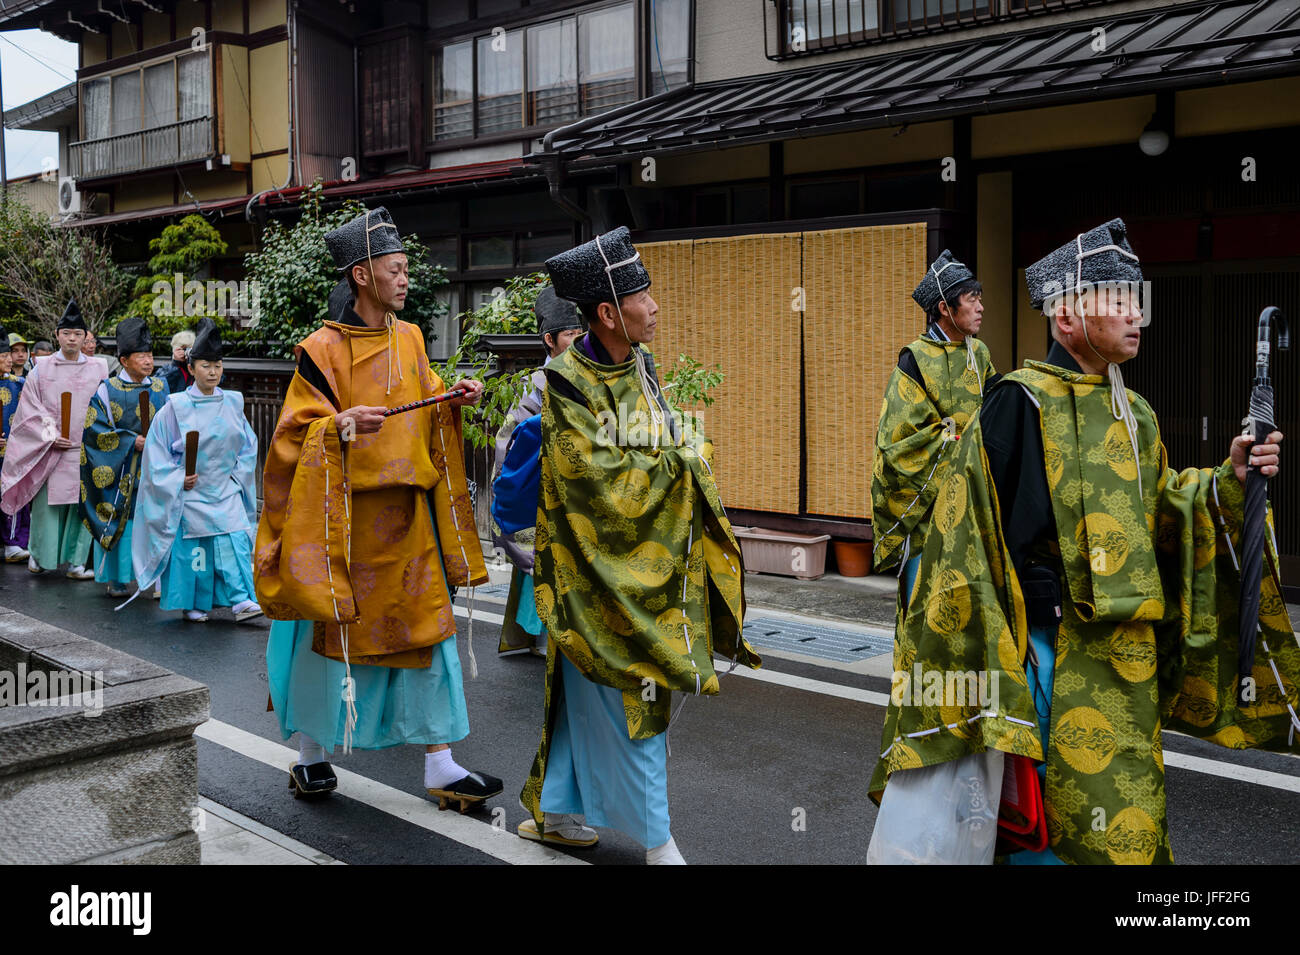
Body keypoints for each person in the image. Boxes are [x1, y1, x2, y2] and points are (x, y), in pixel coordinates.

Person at [867, 218, 1294, 865]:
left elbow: (1159, 515)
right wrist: (994, 679)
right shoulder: (1018, 402)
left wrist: (1226, 481)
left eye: (1137, 299)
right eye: (1116, 299)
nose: (1135, 313)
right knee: (1049, 839)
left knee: (1128, 832)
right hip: (1050, 659)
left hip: (1127, 668)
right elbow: (970, 540)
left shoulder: (1137, 414)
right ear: (1066, 316)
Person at [518, 227, 760, 861]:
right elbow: (596, 482)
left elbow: (669, 439)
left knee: (585, 692)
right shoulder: (567, 381)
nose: (655, 305)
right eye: (643, 294)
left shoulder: (641, 366)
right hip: (592, 568)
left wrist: (683, 452)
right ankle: (658, 841)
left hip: (634, 564)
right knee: (630, 691)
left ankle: (559, 809)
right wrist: (686, 462)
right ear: (607, 313)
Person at [255, 206, 502, 809]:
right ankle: (311, 756)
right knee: (331, 634)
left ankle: (440, 764)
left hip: (409, 521)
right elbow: (293, 434)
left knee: (428, 635)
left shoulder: (412, 336)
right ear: (361, 275)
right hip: (344, 524)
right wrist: (335, 426)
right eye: (395, 269)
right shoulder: (319, 349)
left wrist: (453, 397)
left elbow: (421, 405)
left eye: (406, 268)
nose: (405, 278)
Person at [870, 250, 997, 622]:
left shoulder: (981, 354)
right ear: (944, 307)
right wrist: (962, 441)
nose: (981, 308)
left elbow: (995, 412)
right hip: (928, 501)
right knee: (923, 599)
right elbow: (899, 440)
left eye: (980, 298)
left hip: (974, 494)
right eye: (972, 299)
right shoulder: (914, 359)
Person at [131, 318, 261, 623]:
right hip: (191, 489)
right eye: (206, 365)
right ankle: (195, 602)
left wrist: (236, 475)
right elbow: (156, 452)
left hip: (224, 486)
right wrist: (177, 478)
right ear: (191, 369)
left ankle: (242, 599)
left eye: (217, 365)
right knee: (197, 551)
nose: (213, 371)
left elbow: (248, 445)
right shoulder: (174, 407)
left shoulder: (233, 402)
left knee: (236, 541)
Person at [492, 286, 584, 656]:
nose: (578, 342)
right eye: (570, 335)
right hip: (543, 492)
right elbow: (508, 445)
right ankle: (546, 641)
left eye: (582, 335)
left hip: (580, 490)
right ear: (550, 340)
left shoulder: (592, 379)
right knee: (541, 562)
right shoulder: (534, 387)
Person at [0, 300, 107, 578]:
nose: (72, 339)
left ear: (85, 337)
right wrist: (50, 435)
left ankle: (76, 562)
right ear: (57, 334)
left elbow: (105, 405)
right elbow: (30, 408)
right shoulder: (42, 368)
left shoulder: (98, 368)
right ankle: (39, 556)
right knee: (48, 505)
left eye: (78, 334)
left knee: (80, 506)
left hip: (85, 448)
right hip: (50, 447)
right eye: (67, 333)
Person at [81, 317, 169, 598]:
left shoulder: (160, 387)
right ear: (124, 359)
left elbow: (171, 424)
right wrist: (131, 442)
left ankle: (155, 579)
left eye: (150, 355)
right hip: (121, 471)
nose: (148, 361)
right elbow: (94, 431)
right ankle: (117, 579)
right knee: (122, 519)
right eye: (141, 356)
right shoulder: (107, 389)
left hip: (154, 467)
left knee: (156, 519)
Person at [0, 327, 31, 562]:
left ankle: (14, 543)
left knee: (14, 495)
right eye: (3, 356)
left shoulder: (21, 384)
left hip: (13, 452)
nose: (9, 359)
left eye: (8, 355)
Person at [160, 330, 195, 395]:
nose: (186, 352)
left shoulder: (196, 368)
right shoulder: (167, 369)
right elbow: (159, 385)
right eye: (182, 349)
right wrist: (175, 362)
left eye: (188, 349)